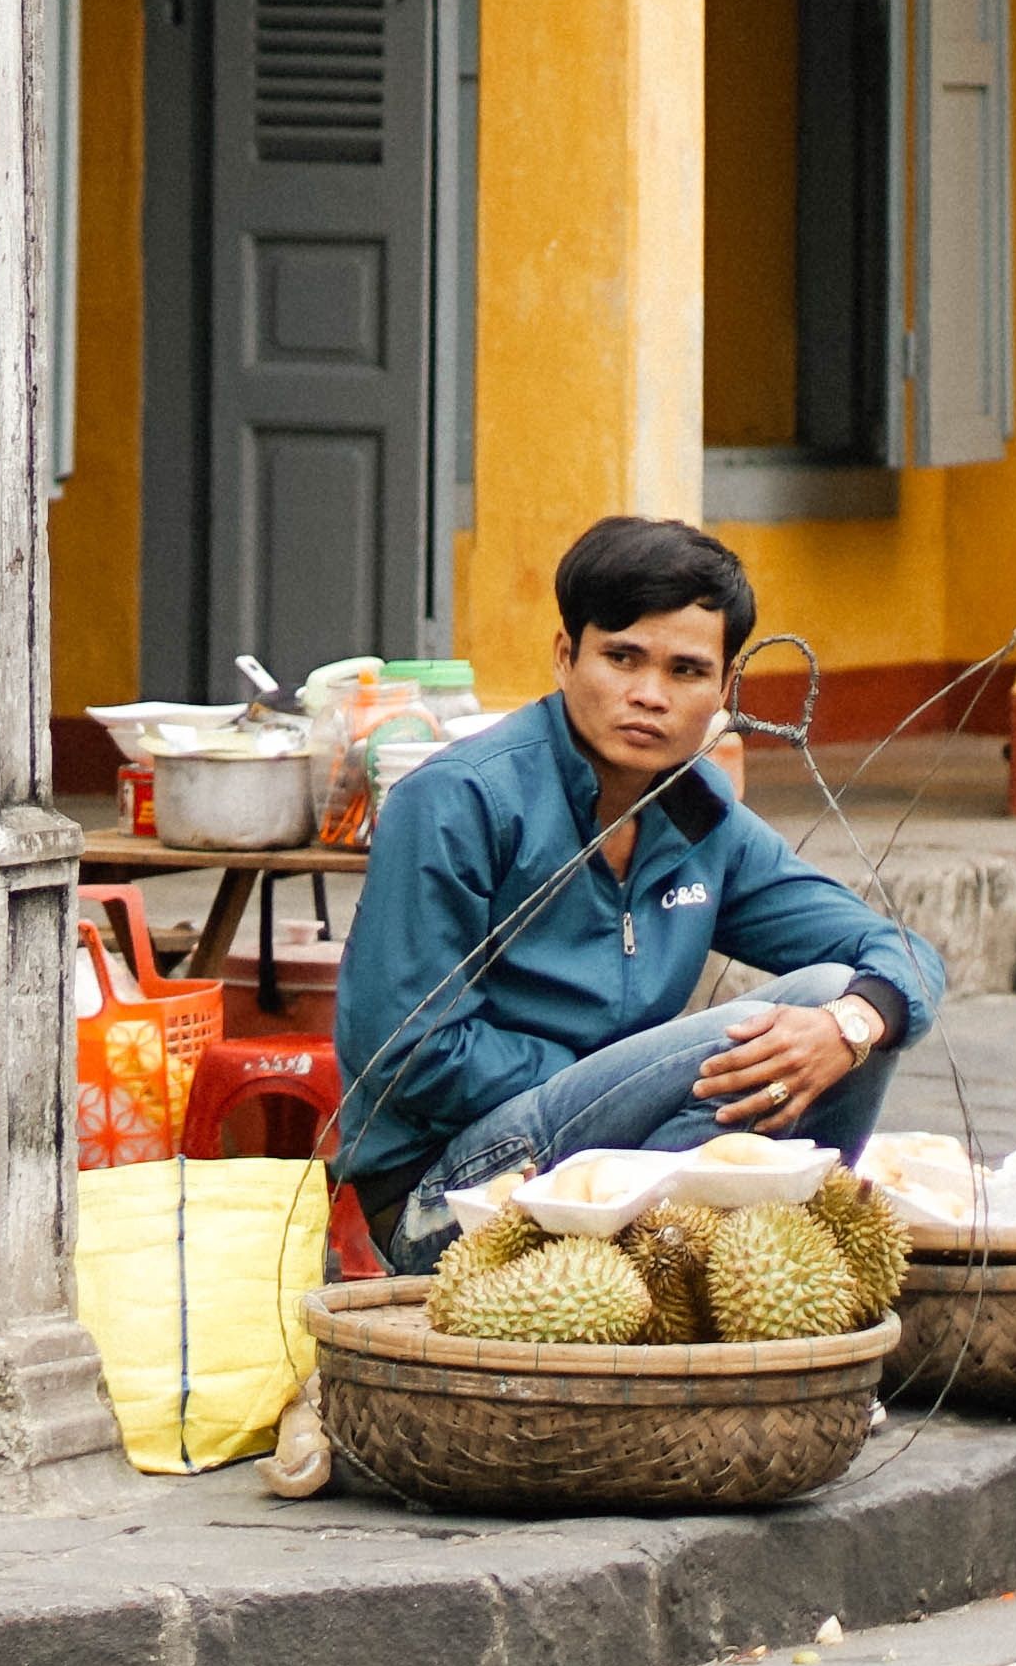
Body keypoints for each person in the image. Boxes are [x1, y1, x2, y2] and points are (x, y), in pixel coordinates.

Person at [329, 514, 948, 1274]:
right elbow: (401, 1054)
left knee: (833, 998)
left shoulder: (700, 817)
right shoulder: (459, 800)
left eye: (685, 671)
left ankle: (735, 1265)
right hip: (452, 1197)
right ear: (565, 657)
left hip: (612, 1162)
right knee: (751, 1030)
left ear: (723, 689)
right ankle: (675, 1261)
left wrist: (853, 1024)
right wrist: (623, 1073)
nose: (648, 696)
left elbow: (903, 956)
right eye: (621, 658)